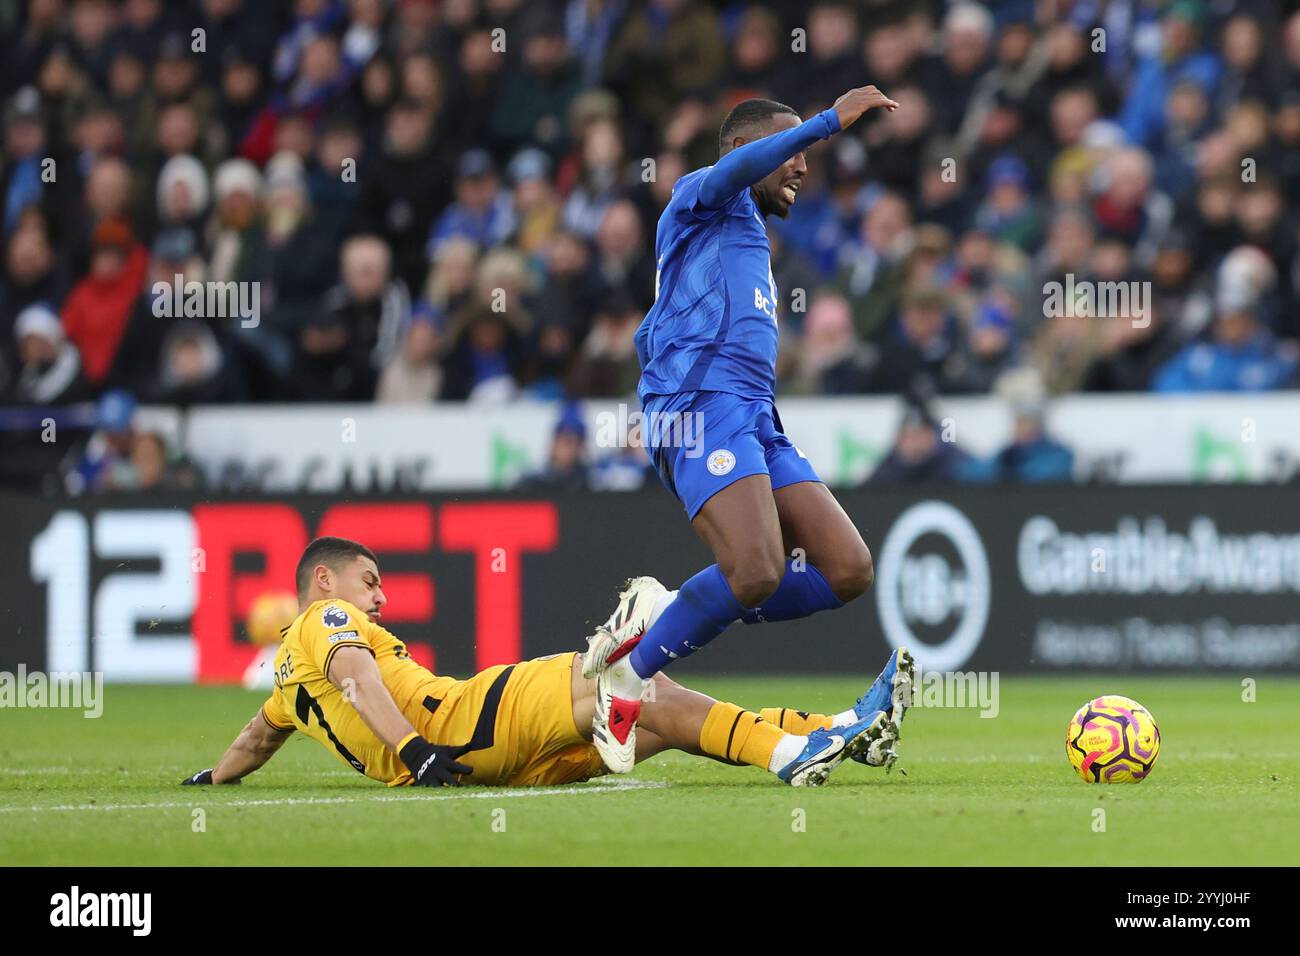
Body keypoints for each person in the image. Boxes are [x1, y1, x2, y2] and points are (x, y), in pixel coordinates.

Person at [586, 88, 900, 773]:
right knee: (754, 570)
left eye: (805, 153)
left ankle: (666, 608)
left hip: (756, 413)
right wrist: (824, 123)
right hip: (697, 407)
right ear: (743, 152)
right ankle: (627, 679)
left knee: (848, 569)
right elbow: (735, 171)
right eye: (788, 153)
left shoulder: (751, 233)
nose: (801, 167)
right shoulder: (702, 195)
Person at [180, 537, 914, 791]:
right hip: (464, 720)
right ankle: (641, 627)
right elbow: (361, 679)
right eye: (368, 580)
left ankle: (840, 729)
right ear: (323, 582)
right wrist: (417, 748)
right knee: (641, 686)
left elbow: (257, 737)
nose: (379, 596)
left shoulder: (287, 684)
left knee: (662, 721)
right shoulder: (322, 620)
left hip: (487, 767)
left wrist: (212, 779)